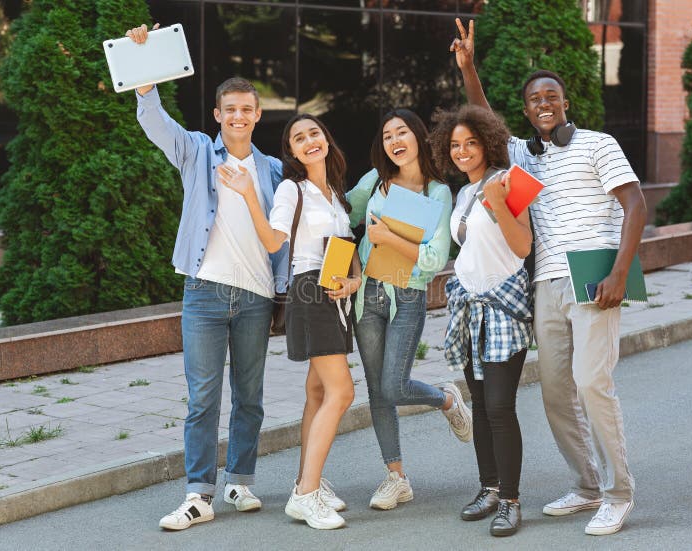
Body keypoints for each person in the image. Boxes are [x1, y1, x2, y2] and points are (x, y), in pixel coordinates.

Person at [451, 18, 647, 536]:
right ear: (527, 109)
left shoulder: (599, 144)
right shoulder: (524, 157)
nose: (543, 103)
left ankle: (617, 493)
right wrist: (470, 69)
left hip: (592, 271)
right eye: (534, 98)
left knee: (591, 382)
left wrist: (620, 272)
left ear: (564, 103)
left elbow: (636, 205)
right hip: (545, 282)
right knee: (556, 393)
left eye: (551, 96)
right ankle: (586, 486)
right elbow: (487, 119)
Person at [127, 24, 290, 530]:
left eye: (248, 109)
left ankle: (240, 480)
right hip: (203, 292)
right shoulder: (196, 151)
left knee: (250, 398)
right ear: (218, 115)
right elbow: (157, 125)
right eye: (230, 109)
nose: (239, 116)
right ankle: (199, 492)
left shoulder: (274, 170)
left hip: (256, 296)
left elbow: (284, 233)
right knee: (202, 399)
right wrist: (145, 76)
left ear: (258, 115)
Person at [220, 113, 361, 530]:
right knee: (343, 392)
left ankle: (307, 480)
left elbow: (348, 249)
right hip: (308, 290)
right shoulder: (290, 188)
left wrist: (354, 281)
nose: (308, 141)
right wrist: (248, 193)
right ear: (293, 152)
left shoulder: (336, 193)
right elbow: (272, 241)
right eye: (299, 138)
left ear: (326, 139)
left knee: (318, 391)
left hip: (334, 295)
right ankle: (304, 495)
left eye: (314, 132)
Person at [346, 109, 472, 511]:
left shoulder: (437, 193)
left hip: (408, 297)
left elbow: (434, 260)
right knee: (377, 391)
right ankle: (396, 477)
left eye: (402, 132)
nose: (394, 140)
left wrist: (385, 235)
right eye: (387, 135)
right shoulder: (374, 183)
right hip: (367, 296)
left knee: (393, 386)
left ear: (418, 137)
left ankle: (447, 400)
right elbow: (343, 217)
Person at [429, 104, 534, 537]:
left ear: (487, 142)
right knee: (480, 406)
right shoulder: (461, 194)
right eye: (455, 145)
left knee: (499, 406)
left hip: (504, 308)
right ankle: (489, 488)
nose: (462, 151)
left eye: (471, 142)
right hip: (470, 308)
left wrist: (499, 205)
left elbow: (523, 245)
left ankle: (510, 500)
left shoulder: (508, 182)